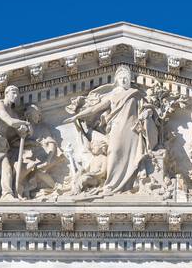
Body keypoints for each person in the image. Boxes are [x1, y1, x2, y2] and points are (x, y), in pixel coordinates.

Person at [64, 65, 157, 196]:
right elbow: (94, 109)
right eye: (121, 77)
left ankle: (129, 183)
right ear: (116, 80)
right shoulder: (112, 96)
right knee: (114, 151)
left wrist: (147, 112)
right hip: (116, 128)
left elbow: (146, 109)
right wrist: (77, 116)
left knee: (132, 155)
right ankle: (111, 185)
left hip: (132, 131)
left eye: (126, 77)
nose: (124, 80)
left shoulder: (135, 95)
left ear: (130, 79)